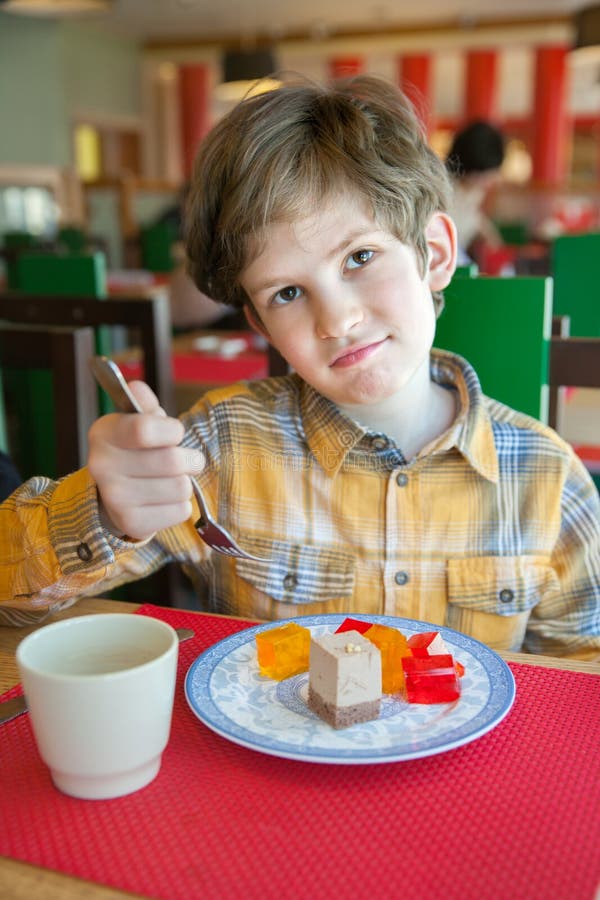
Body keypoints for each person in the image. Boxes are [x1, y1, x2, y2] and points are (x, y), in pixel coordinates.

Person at [1, 75, 599, 659]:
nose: (335, 321)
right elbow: (10, 598)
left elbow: (579, 692)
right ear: (260, 324)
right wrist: (105, 510)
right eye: (287, 293)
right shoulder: (218, 454)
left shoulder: (549, 482)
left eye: (360, 256)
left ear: (435, 254)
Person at [445, 120, 506, 266]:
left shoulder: (475, 191)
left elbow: (475, 218)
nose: (491, 180)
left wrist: (494, 242)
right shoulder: (443, 188)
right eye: (486, 174)